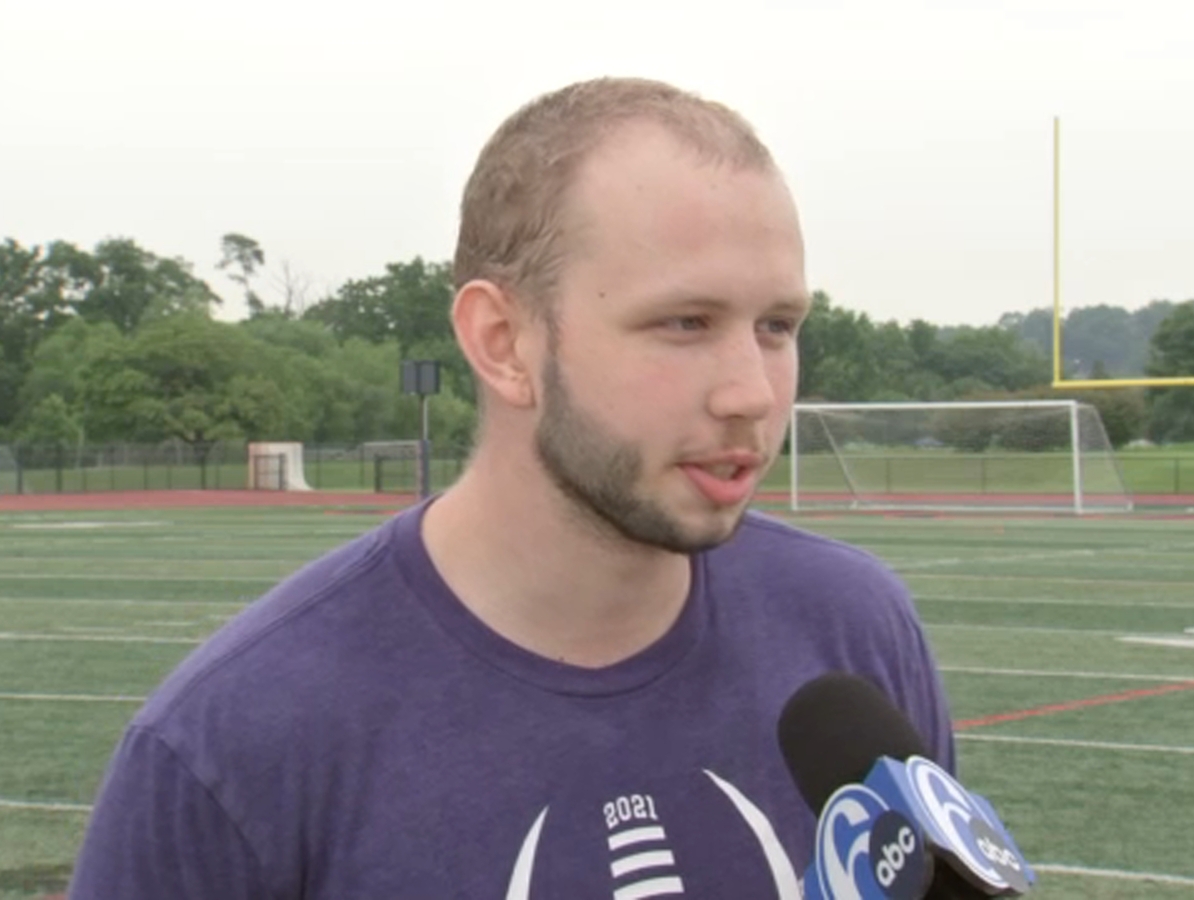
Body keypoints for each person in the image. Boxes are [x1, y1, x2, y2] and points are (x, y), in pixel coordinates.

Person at [67, 76, 954, 898]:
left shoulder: (855, 629)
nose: (752, 392)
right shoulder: (233, 741)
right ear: (503, 341)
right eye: (684, 322)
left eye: (777, 325)